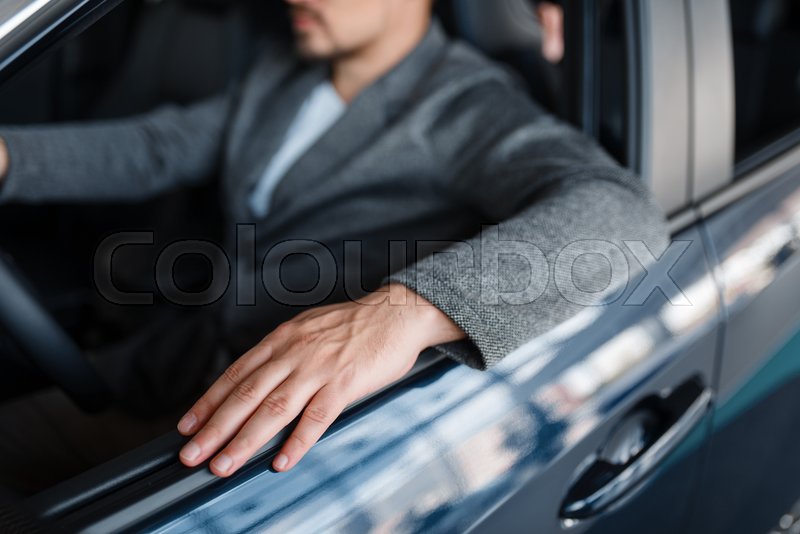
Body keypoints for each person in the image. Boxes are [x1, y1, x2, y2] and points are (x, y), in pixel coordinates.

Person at [0, 0, 667, 490]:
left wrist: (399, 313)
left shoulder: (470, 106)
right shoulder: (287, 70)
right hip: (166, 369)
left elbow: (622, 212)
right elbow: (158, 148)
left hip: (278, 436)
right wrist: (8, 157)